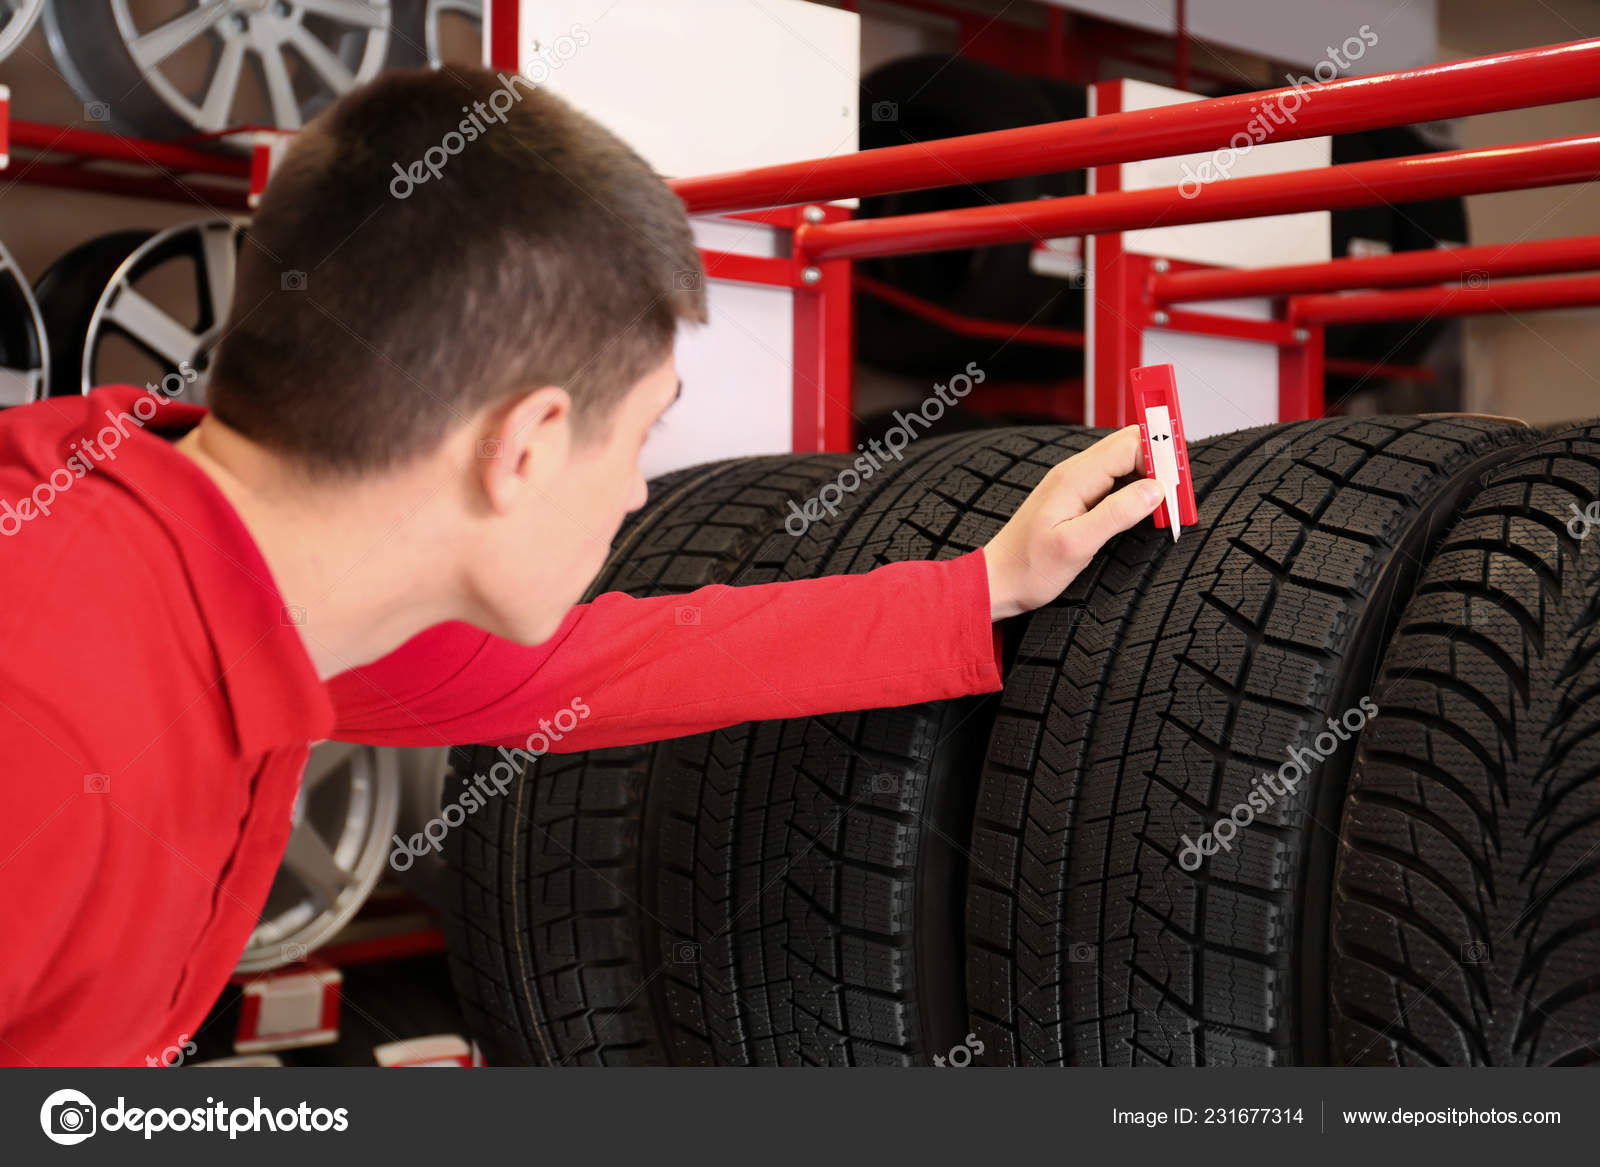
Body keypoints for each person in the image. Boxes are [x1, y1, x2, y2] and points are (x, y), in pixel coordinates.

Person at [0, 67, 1163, 1066]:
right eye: (641, 435)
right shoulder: (39, 718)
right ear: (526, 445)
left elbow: (595, 669)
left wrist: (987, 583)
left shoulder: (261, 585)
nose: (636, 494)